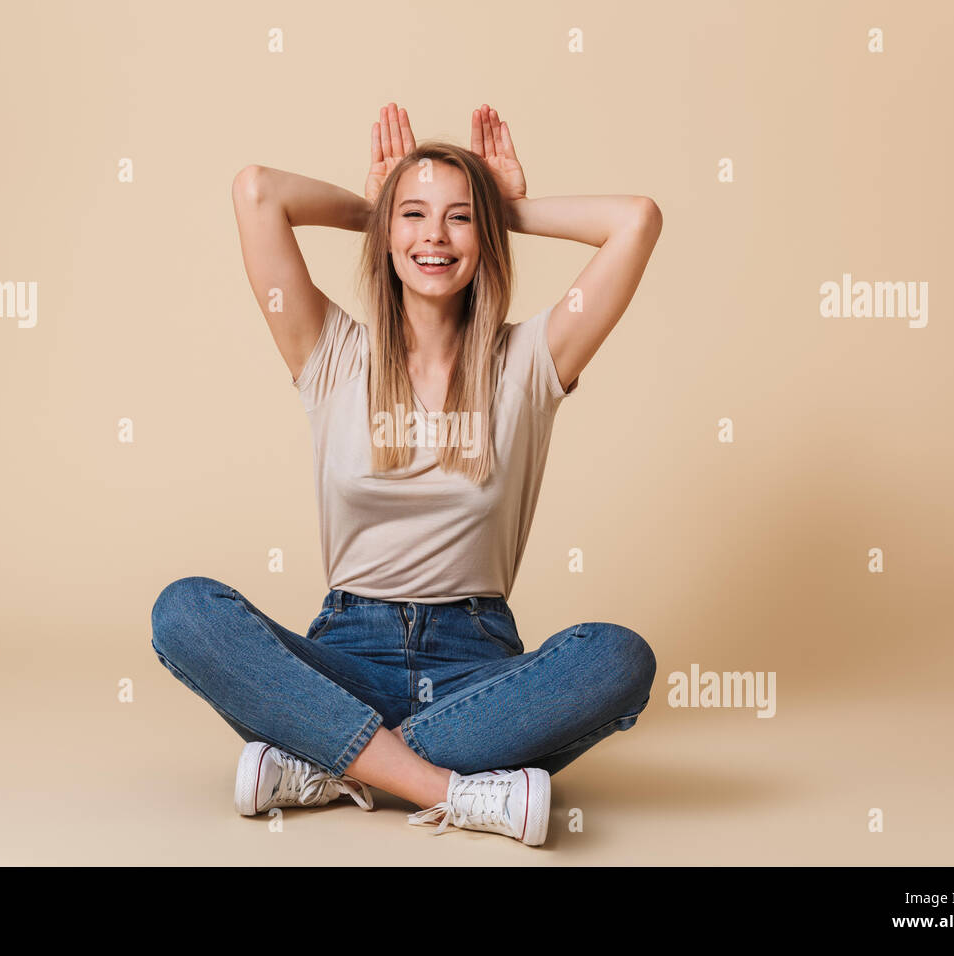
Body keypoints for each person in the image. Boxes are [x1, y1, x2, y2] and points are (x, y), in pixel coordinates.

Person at [151, 103, 664, 847]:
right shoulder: (330, 353)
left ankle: (332, 764)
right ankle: (452, 790)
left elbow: (638, 220)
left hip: (476, 671)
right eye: (414, 216)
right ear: (387, 233)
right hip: (342, 656)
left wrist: (506, 206)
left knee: (619, 658)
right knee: (185, 612)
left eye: (459, 219)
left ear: (483, 237)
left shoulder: (529, 363)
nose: (434, 235)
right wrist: (374, 207)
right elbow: (257, 190)